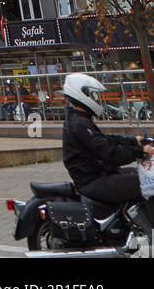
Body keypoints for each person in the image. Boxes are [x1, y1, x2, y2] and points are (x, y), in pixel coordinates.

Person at [61, 73, 154, 215]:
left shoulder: (79, 119)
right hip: (93, 181)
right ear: (81, 93)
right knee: (148, 182)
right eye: (92, 95)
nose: (95, 99)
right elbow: (109, 154)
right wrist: (141, 152)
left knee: (137, 174)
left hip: (95, 176)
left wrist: (133, 140)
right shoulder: (79, 123)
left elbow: (104, 140)